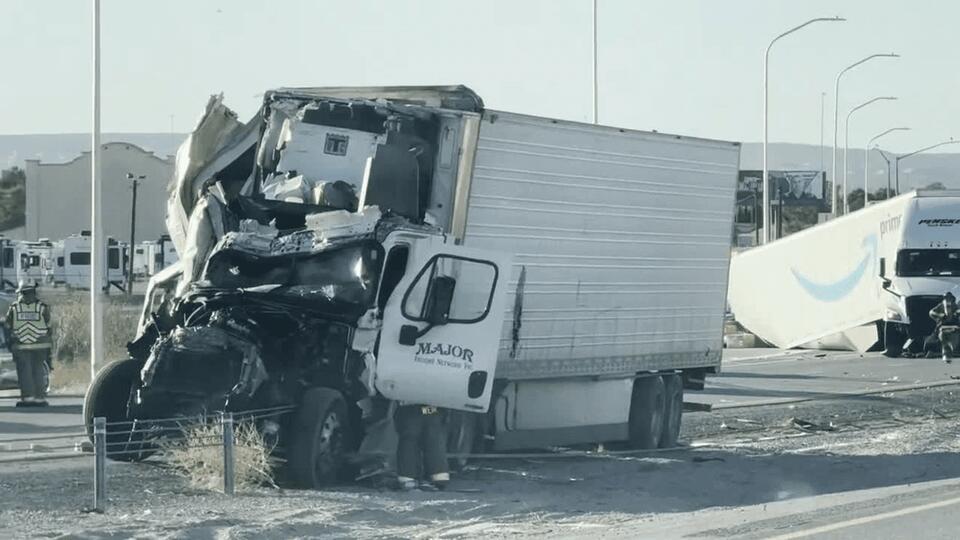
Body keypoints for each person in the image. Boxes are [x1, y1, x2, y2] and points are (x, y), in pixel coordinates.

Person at [2, 280, 52, 406]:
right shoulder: (43, 307)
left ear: (21, 293)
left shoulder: (14, 308)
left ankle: (28, 398)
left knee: (25, 372)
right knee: (38, 370)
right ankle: (40, 398)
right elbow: (49, 326)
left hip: (21, 345)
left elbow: (8, 326)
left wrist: (10, 342)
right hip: (41, 345)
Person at [394, 403, 450, 491]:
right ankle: (439, 477)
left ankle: (407, 478)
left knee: (409, 440)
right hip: (433, 407)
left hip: (409, 407)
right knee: (435, 440)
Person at [929, 292, 960, 363]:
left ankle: (950, 352)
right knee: (941, 337)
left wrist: (956, 313)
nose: (948, 300)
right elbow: (931, 312)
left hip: (954, 326)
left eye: (949, 298)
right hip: (943, 326)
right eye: (946, 298)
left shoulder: (955, 306)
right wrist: (940, 315)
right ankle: (945, 354)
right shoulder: (941, 306)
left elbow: (958, 311)